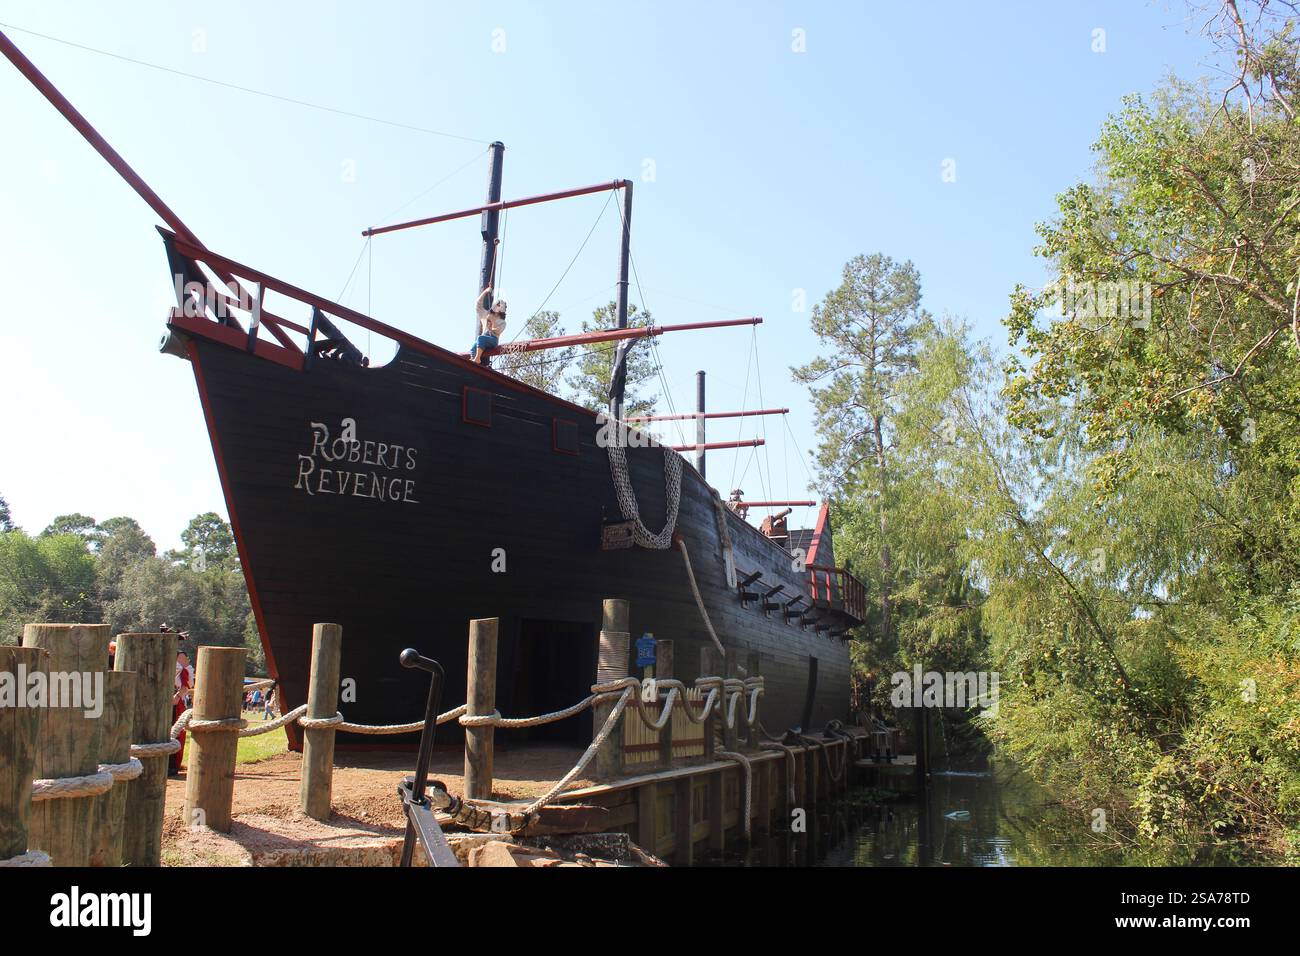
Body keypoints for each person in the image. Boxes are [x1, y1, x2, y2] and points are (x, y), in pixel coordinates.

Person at [470, 286, 507, 365]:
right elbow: (478, 305)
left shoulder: (502, 322)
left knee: (480, 338)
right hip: (483, 339)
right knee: (473, 348)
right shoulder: (486, 315)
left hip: (493, 340)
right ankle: (473, 361)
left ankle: (477, 359)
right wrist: (486, 291)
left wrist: (492, 321)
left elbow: (497, 331)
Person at [171, 651, 193, 776]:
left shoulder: (181, 663)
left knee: (175, 733)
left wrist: (178, 696)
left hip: (175, 703)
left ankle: (172, 765)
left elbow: (185, 686)